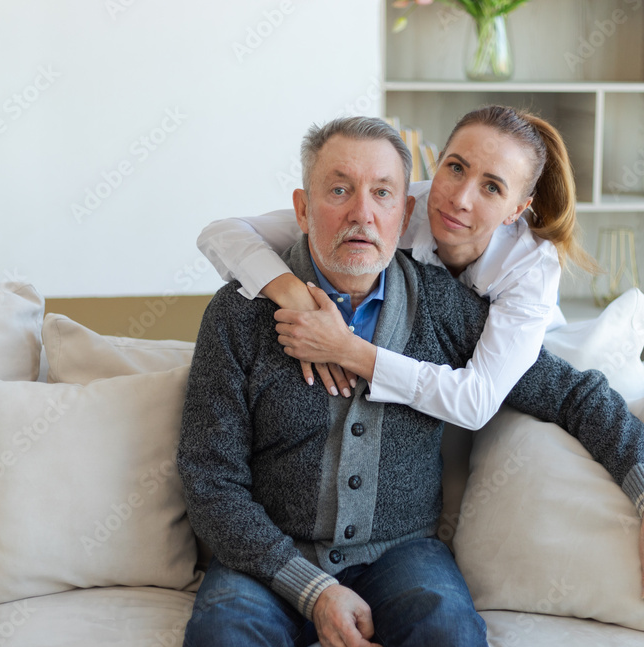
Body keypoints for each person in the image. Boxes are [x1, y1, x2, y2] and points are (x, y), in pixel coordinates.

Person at [178, 116, 644, 647]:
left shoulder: (447, 308)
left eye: (382, 194)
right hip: (269, 556)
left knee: (450, 641)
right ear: (302, 209)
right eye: (339, 190)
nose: (362, 213)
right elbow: (210, 479)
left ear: (405, 212)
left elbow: (574, 395)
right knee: (224, 642)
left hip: (402, 556)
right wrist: (312, 589)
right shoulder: (238, 315)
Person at [197, 105, 595, 431]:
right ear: (436, 164)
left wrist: (347, 349)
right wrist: (293, 294)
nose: (459, 199)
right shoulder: (392, 208)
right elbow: (223, 233)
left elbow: (477, 402)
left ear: (516, 210)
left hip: (519, 350)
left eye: (492, 187)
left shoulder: (530, 267)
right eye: (456, 168)